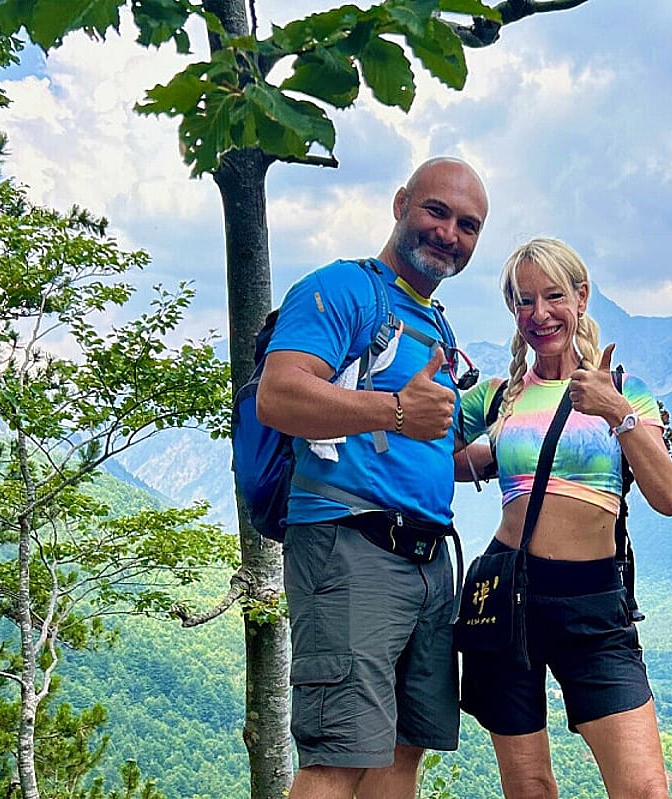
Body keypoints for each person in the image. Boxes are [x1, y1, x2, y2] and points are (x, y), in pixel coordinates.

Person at [256, 157, 488, 799]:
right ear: (399, 203)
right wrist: (395, 410)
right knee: (340, 755)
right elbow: (278, 396)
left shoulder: (433, 322)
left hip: (427, 559)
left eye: (467, 225)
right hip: (350, 546)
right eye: (437, 211)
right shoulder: (342, 289)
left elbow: (422, 440)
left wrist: (496, 440)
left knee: (400, 751)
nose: (449, 233)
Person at [456, 237, 672, 799]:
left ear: (581, 297)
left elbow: (668, 495)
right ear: (513, 310)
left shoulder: (627, 392)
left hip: (594, 607)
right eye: (524, 301)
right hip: (506, 599)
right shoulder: (494, 398)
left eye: (553, 296)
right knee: (529, 787)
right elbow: (433, 458)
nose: (540, 314)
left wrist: (616, 412)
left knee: (644, 790)